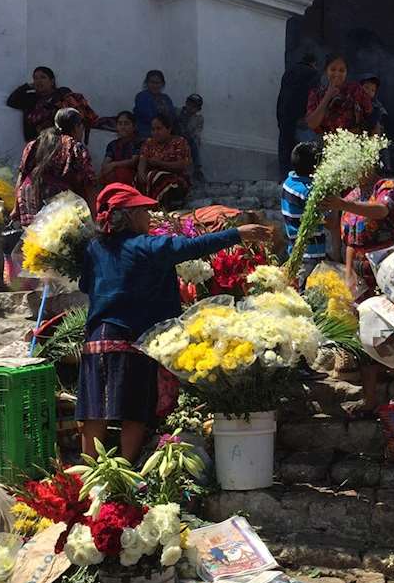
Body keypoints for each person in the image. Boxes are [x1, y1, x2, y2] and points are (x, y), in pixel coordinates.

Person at [77, 182, 272, 461]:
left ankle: (89, 475)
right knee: (134, 412)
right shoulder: (146, 246)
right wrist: (237, 233)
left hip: (96, 339)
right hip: (131, 340)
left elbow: (86, 285)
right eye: (144, 210)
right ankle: (124, 471)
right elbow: (192, 246)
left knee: (94, 410)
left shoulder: (95, 249)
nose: (149, 216)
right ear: (130, 216)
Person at [320, 171, 394, 415]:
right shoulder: (351, 196)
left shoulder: (387, 187)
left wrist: (344, 204)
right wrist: (349, 274)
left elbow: (381, 210)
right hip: (363, 278)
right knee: (367, 333)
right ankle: (371, 399)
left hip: (393, 274)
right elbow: (350, 241)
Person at [13, 107, 96, 232]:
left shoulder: (36, 142)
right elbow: (88, 183)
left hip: (29, 194)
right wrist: (94, 217)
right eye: (81, 127)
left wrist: (16, 208)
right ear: (76, 127)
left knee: (32, 239)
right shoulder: (75, 147)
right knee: (54, 242)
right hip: (56, 199)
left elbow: (23, 174)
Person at [7, 66, 97, 142]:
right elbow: (11, 102)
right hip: (39, 141)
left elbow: (72, 114)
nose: (38, 81)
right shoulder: (31, 98)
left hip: (61, 140)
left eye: (43, 77)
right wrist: (27, 86)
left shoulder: (62, 93)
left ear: (52, 81)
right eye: (35, 78)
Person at [281, 142, 327, 286]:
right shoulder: (308, 192)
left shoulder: (289, 182)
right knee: (306, 291)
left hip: (295, 247)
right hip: (310, 252)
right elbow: (328, 221)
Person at [305, 53, 373, 136]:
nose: (337, 74)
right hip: (326, 143)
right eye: (333, 69)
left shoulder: (355, 90)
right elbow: (312, 124)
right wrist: (328, 96)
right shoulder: (316, 94)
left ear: (346, 73)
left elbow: (370, 114)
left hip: (352, 142)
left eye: (341, 70)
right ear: (326, 71)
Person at [277, 51, 320, 177]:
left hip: (284, 114)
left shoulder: (288, 72)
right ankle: (300, 176)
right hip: (300, 117)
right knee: (302, 148)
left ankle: (284, 177)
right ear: (314, 64)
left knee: (285, 145)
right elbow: (311, 96)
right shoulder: (313, 74)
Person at [137, 112, 192, 206]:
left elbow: (182, 165)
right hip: (152, 177)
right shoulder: (149, 142)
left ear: (169, 129)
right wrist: (141, 172)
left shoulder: (179, 142)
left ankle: (160, 207)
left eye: (159, 129)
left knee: (158, 176)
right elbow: (143, 159)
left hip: (176, 179)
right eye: (153, 129)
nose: (155, 132)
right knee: (139, 178)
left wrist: (160, 163)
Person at [133, 70, 178, 140]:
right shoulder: (142, 97)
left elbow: (172, 115)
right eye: (152, 82)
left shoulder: (166, 98)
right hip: (147, 133)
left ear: (162, 84)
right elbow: (149, 117)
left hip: (166, 133)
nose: (155, 85)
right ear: (147, 83)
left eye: (157, 83)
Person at [99, 111, 140, 186]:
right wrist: (105, 168)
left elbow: (133, 161)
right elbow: (106, 162)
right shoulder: (112, 145)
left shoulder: (138, 143)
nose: (123, 127)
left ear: (134, 126)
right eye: (120, 124)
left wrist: (114, 164)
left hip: (132, 180)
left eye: (126, 123)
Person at [178, 94, 205, 183]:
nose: (191, 108)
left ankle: (197, 170)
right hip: (175, 138)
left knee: (193, 144)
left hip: (188, 141)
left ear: (198, 109)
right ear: (186, 103)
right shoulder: (177, 112)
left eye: (194, 106)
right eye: (189, 104)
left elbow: (197, 132)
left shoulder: (199, 119)